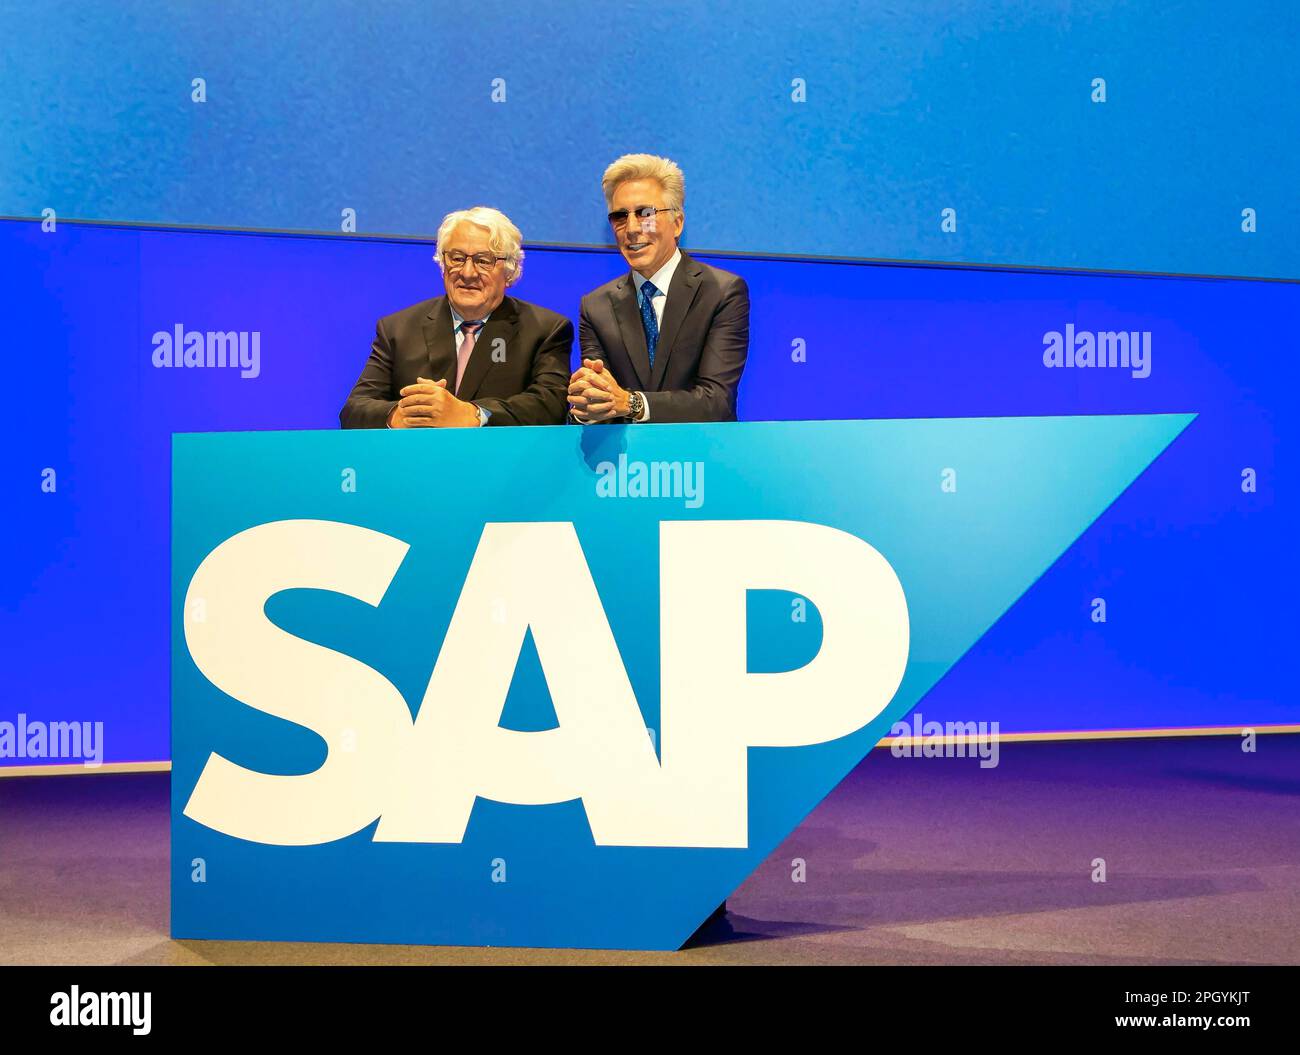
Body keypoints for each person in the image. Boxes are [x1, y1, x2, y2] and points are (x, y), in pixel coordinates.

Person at [341, 207, 570, 429]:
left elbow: (551, 406)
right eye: (457, 258)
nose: (467, 273)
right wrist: (400, 415)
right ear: (443, 264)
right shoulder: (397, 329)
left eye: (483, 260)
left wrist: (473, 414)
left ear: (509, 271)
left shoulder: (545, 330)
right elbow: (354, 410)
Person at [569, 153, 750, 425]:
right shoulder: (596, 306)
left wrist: (632, 404)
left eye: (646, 214)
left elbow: (715, 401)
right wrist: (589, 404)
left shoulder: (722, 292)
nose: (631, 228)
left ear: (677, 223)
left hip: (700, 449)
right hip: (626, 452)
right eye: (620, 216)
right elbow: (605, 398)